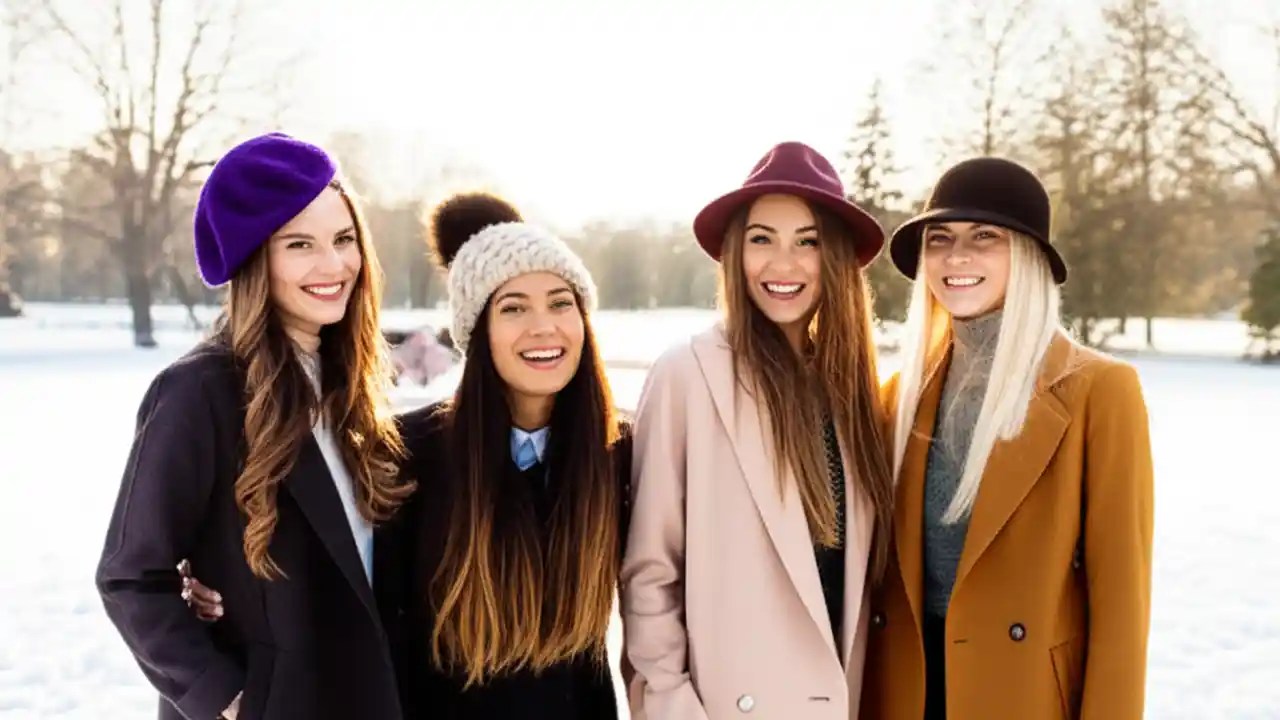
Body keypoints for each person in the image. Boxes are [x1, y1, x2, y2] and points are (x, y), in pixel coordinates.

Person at [96, 132, 412, 720]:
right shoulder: (199, 392)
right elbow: (130, 575)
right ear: (253, 259)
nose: (334, 264)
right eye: (300, 244)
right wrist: (227, 697)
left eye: (344, 239)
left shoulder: (353, 387)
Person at [859, 157, 1155, 719]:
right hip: (907, 693)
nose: (956, 256)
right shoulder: (900, 396)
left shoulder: (1099, 392)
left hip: (1021, 697)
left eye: (984, 237)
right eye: (940, 238)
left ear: (1028, 256)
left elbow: (1122, 603)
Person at [621, 141, 896, 718]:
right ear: (735, 252)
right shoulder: (688, 374)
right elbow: (649, 572)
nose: (782, 264)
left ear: (835, 257)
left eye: (807, 242)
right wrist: (671, 705)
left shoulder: (852, 392)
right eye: (762, 239)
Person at [376, 192, 632, 718]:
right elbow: (381, 641)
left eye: (560, 303)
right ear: (479, 332)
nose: (543, 326)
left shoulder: (616, 454)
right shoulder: (408, 454)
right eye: (513, 308)